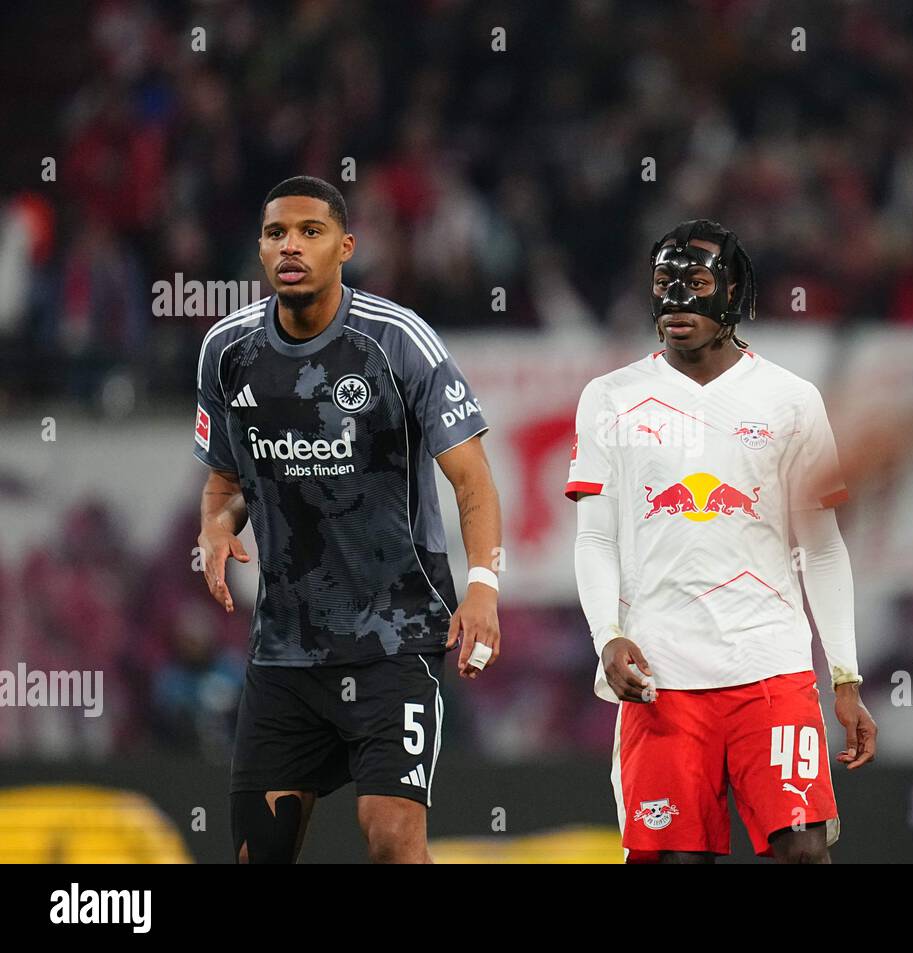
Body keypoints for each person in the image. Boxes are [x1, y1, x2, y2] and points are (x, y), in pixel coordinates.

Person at [193, 176, 502, 864]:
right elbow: (227, 479)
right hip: (286, 651)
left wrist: (483, 585)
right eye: (276, 233)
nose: (291, 246)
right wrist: (216, 529)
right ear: (261, 250)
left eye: (311, 231)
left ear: (346, 247)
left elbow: (472, 479)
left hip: (396, 639)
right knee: (258, 854)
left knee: (392, 836)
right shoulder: (227, 350)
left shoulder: (399, 343)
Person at [567, 219, 877, 863]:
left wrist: (845, 674)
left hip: (771, 667)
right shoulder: (611, 398)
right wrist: (607, 636)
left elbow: (821, 547)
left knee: (804, 852)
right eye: (663, 285)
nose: (678, 302)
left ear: (733, 291)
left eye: (697, 284)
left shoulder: (790, 399)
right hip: (662, 675)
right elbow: (595, 537)